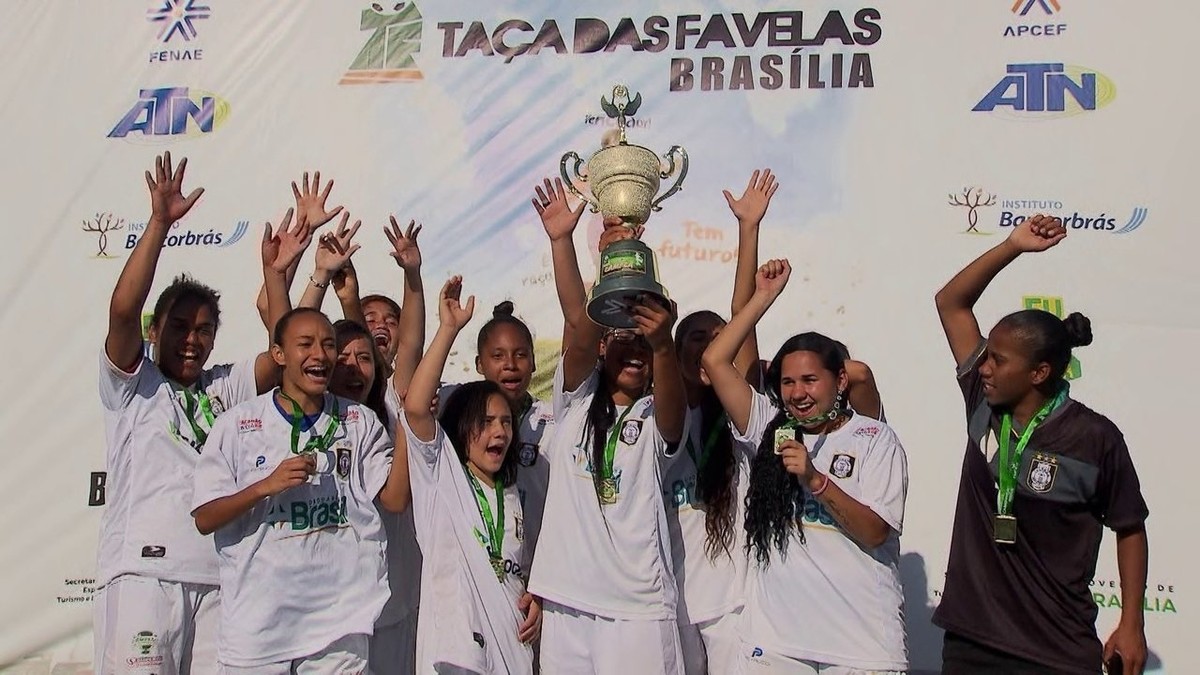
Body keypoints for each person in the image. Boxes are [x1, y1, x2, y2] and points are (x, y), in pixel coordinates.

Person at [93, 153, 290, 673]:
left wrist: (276, 275)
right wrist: (159, 224)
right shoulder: (134, 381)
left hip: (218, 578)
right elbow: (121, 311)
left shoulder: (224, 386)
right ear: (156, 330)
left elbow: (285, 354)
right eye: (179, 326)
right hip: (143, 576)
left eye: (204, 330)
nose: (191, 339)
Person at [932, 214, 1148, 674]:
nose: (984, 367)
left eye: (998, 359)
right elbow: (950, 302)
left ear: (1039, 373)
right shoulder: (981, 401)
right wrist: (1012, 246)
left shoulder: (1095, 437)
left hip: (1056, 653)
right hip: (971, 642)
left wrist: (1132, 624)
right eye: (985, 354)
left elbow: (1130, 527)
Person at [702, 259, 908, 674]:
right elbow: (715, 360)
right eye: (787, 382)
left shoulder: (875, 438)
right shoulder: (767, 425)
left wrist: (815, 479)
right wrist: (764, 296)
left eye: (811, 380)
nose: (797, 393)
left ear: (840, 381)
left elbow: (875, 531)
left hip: (860, 646)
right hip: (775, 644)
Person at [191, 305, 409, 671]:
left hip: (339, 623)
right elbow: (205, 517)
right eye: (305, 344)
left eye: (327, 345)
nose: (319, 355)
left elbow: (394, 498)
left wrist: (408, 421)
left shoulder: (358, 421)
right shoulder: (238, 424)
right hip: (260, 629)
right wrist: (265, 486)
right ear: (279, 354)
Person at [528, 178, 688, 674]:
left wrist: (663, 344)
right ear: (602, 346)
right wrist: (564, 243)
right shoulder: (574, 403)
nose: (633, 348)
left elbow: (671, 415)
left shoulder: (657, 410)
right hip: (567, 600)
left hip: (638, 608)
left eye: (645, 341)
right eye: (622, 337)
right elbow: (579, 323)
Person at [666, 168, 778, 675]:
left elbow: (743, 316)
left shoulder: (738, 415)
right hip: (665, 600)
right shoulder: (655, 416)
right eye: (697, 338)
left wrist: (748, 230)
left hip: (732, 604)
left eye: (719, 337)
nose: (711, 346)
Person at [401, 276, 540, 674]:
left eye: (505, 422)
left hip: (514, 648)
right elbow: (414, 409)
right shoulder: (441, 477)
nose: (498, 431)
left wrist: (535, 596)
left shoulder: (511, 491)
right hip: (457, 655)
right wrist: (448, 329)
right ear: (462, 427)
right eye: (485, 422)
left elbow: (517, 566)